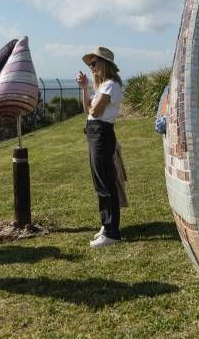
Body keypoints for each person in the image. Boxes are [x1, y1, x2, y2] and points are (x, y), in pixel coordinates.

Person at [76, 46, 125, 248]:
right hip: (96, 132)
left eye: (94, 63)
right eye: (90, 65)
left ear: (104, 64)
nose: (91, 67)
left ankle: (112, 231)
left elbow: (94, 112)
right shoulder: (103, 86)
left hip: (101, 133)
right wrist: (85, 87)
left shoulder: (110, 86)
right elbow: (87, 108)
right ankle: (106, 226)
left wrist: (92, 105)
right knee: (100, 182)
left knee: (105, 182)